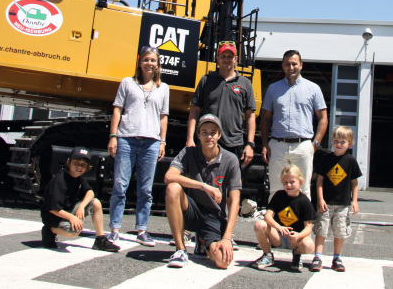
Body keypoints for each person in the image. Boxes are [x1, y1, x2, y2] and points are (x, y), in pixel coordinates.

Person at [107, 46, 169, 246]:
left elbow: (163, 116)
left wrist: (162, 141)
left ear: (157, 64)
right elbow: (117, 110)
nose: (149, 63)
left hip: (151, 142)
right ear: (140, 62)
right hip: (127, 139)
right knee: (120, 185)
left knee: (146, 189)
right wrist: (113, 136)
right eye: (146, 60)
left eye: (153, 60)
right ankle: (114, 229)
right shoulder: (127, 83)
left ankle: (142, 230)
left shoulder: (163, 88)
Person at [164, 114, 242, 269]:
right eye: (204, 132)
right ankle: (180, 250)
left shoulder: (231, 159)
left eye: (213, 132)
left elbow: (235, 201)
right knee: (173, 188)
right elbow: (169, 176)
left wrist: (227, 237)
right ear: (198, 135)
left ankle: (203, 240)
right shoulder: (188, 153)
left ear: (219, 135)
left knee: (223, 261)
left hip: (214, 216)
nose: (209, 136)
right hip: (192, 210)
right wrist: (204, 186)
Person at [260, 49, 328, 198]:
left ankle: (302, 215)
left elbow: (323, 118)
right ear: (282, 66)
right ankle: (275, 214)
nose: (291, 67)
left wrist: (315, 144)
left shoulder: (313, 89)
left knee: (303, 190)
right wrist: (265, 144)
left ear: (301, 65)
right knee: (276, 190)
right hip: (277, 146)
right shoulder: (273, 89)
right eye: (287, 64)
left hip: (303, 146)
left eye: (294, 64)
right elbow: (265, 118)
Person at [187, 41, 257, 166]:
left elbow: (250, 116)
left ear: (236, 59)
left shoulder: (245, 83)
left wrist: (250, 144)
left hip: (234, 143)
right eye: (223, 56)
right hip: (208, 141)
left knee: (231, 178)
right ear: (217, 58)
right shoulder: (206, 80)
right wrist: (190, 139)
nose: (226, 59)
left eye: (230, 56)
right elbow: (195, 111)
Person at [40, 146, 121, 252]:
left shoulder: (78, 176)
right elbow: (53, 209)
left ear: (88, 167)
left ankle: (100, 240)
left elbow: (90, 192)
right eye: (76, 163)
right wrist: (72, 218)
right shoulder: (59, 181)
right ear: (68, 162)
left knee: (95, 203)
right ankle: (49, 230)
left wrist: (82, 206)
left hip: (68, 210)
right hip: (54, 216)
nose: (79, 167)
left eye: (83, 165)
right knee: (74, 231)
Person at [310, 126, 362, 273]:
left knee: (340, 232)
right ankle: (317, 257)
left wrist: (354, 200)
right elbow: (319, 180)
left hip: (343, 204)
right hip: (326, 203)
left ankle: (337, 258)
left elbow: (354, 182)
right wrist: (320, 199)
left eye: (343, 142)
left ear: (350, 144)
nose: (339, 144)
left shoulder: (351, 161)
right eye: (336, 141)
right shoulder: (326, 159)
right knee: (321, 230)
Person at [251, 164, 315, 272]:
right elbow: (267, 216)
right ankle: (267, 255)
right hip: (278, 236)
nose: (289, 185)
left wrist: (298, 236)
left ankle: (297, 255)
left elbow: (308, 227)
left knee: (309, 246)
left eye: (292, 182)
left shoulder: (304, 201)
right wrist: (278, 227)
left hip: (294, 238)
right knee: (259, 225)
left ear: (301, 181)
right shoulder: (279, 195)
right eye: (285, 183)